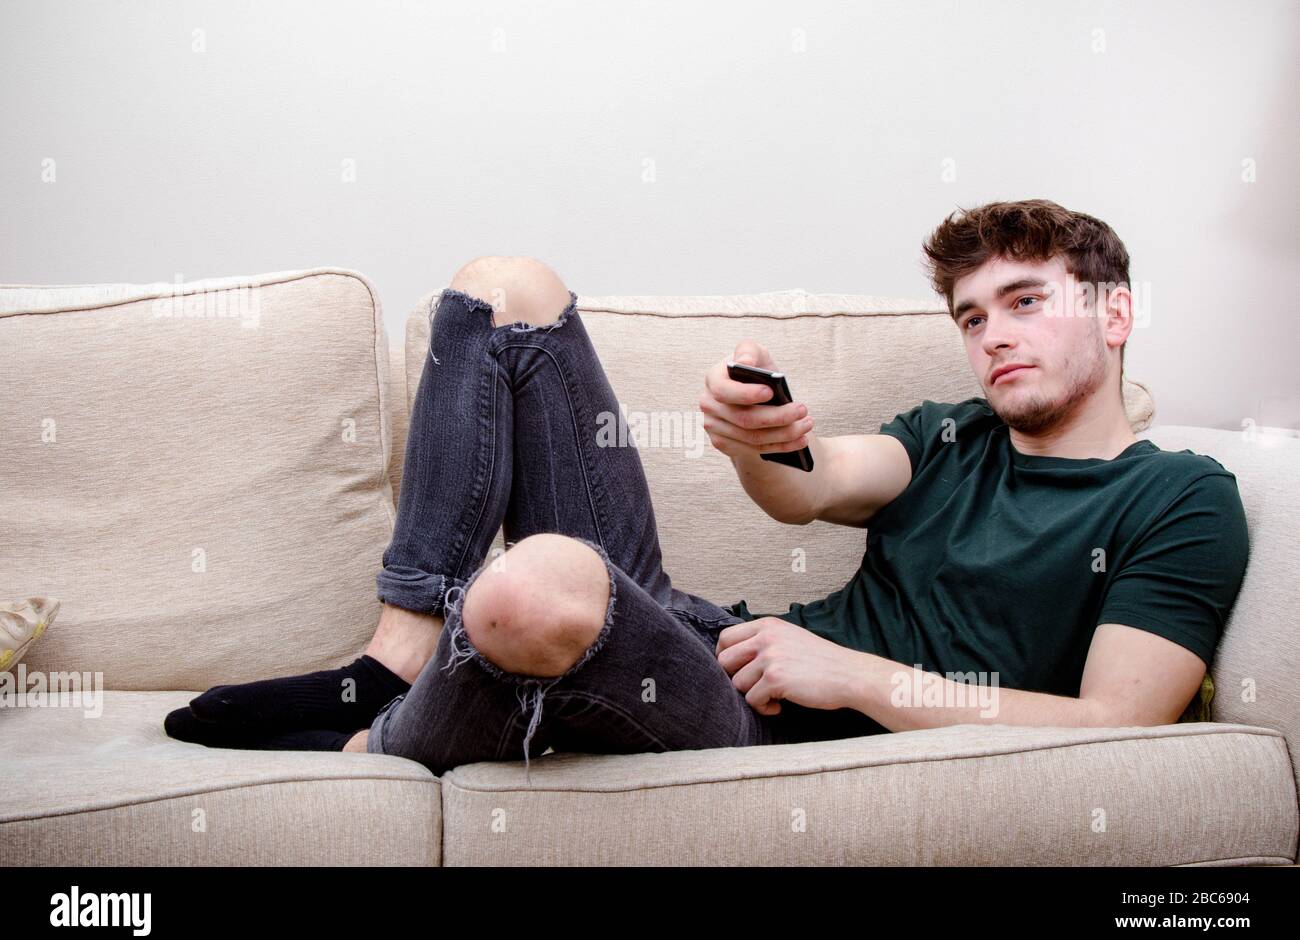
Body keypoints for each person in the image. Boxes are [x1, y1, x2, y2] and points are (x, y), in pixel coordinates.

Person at [164, 199, 1250, 780]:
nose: (993, 335)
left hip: (769, 722)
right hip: (714, 638)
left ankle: (375, 740)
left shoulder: (1178, 499)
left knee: (527, 590)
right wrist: (757, 440)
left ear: (1114, 312)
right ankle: (395, 657)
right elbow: (816, 484)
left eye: (1024, 301)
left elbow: (1115, 720)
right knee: (507, 289)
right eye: (972, 317)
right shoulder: (953, 435)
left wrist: (855, 676)